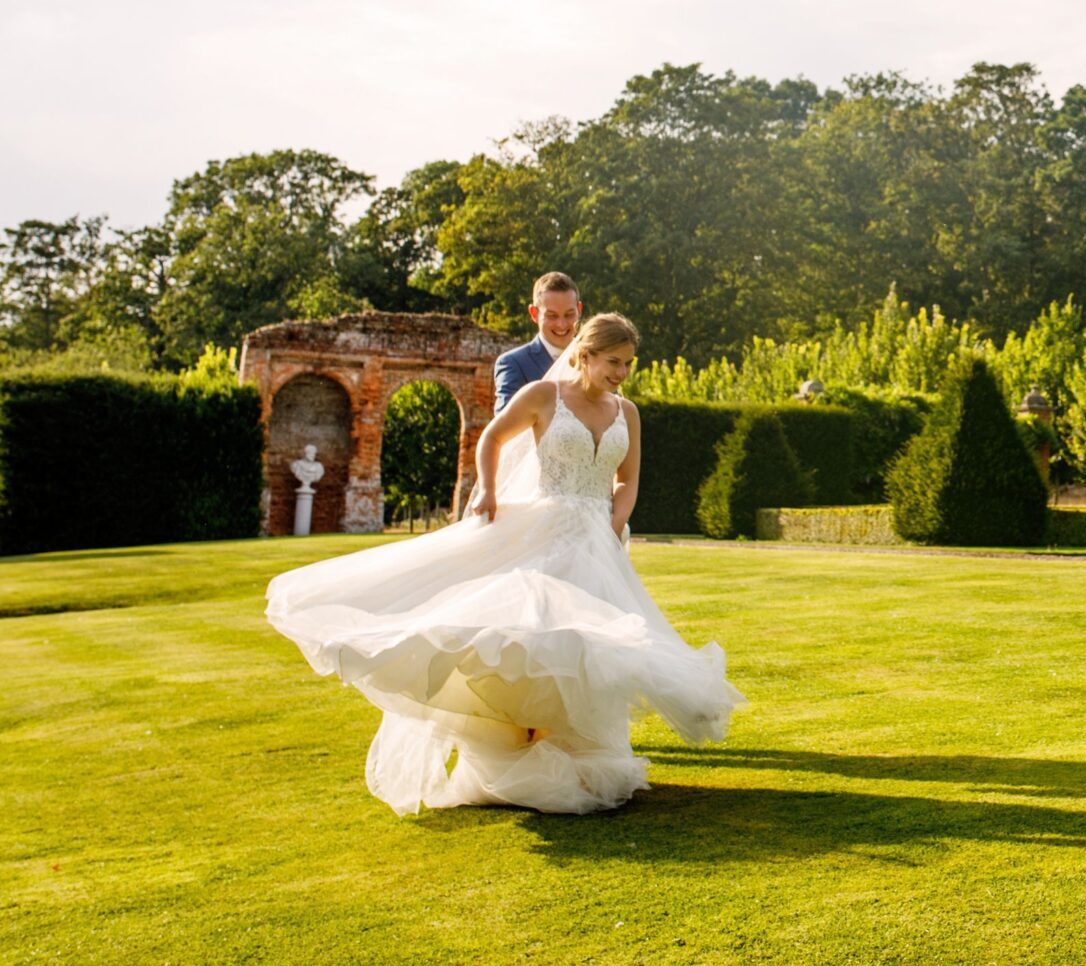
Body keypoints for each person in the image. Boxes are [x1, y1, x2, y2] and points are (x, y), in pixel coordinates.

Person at [266, 313, 744, 816]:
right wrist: (488, 491)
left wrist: (614, 521)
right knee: (532, 639)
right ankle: (518, 749)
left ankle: (579, 758)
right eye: (613, 362)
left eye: (628, 363)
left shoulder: (627, 412)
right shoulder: (543, 396)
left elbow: (627, 479)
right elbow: (491, 438)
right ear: (585, 355)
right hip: (545, 529)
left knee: (595, 650)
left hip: (600, 542)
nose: (622, 373)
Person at [496, 272, 583, 413]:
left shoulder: (596, 358)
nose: (562, 324)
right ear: (534, 314)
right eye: (552, 316)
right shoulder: (514, 364)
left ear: (579, 310)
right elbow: (504, 429)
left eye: (569, 314)